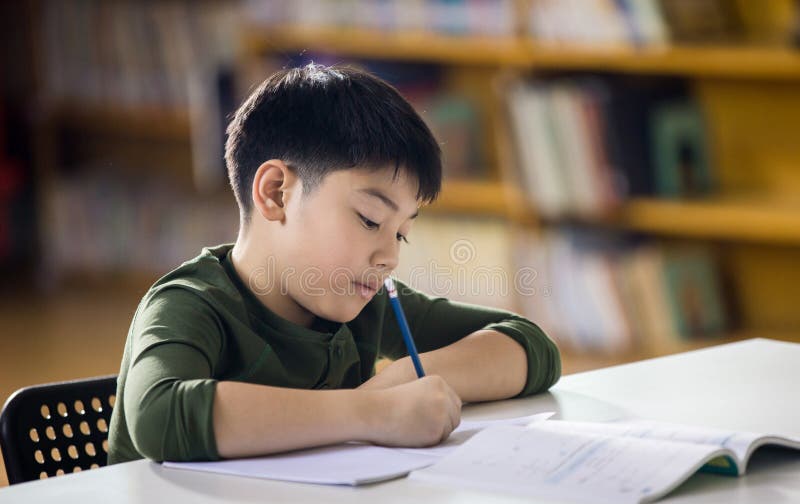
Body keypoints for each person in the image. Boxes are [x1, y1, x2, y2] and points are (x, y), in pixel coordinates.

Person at [107, 64, 560, 464]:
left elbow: (532, 347)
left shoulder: (372, 307)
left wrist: (404, 377)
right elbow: (158, 414)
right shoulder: (188, 305)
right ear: (275, 193)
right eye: (370, 220)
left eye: (401, 233)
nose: (390, 257)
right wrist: (369, 413)